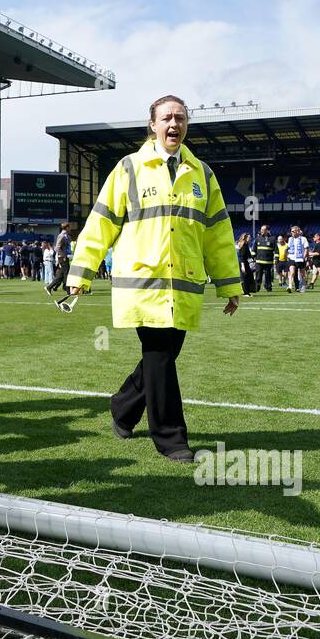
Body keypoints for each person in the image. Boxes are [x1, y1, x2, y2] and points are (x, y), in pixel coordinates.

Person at [67, 93, 241, 461]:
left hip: (185, 286)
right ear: (152, 125)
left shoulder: (204, 175)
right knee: (159, 353)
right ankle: (171, 439)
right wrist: (81, 272)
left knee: (161, 357)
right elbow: (101, 222)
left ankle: (123, 408)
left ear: (186, 125)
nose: (173, 124)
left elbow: (218, 234)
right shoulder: (129, 168)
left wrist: (229, 284)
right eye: (166, 118)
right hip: (142, 284)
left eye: (180, 118)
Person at [45, 223, 72, 294]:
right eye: (69, 227)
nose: (70, 229)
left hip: (65, 257)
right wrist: (63, 256)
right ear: (67, 228)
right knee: (66, 273)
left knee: (61, 275)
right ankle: (68, 290)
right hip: (62, 257)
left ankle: (50, 287)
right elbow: (57, 248)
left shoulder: (67, 236)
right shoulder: (62, 236)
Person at [253, 225, 275, 292]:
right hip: (259, 261)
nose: (261, 231)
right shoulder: (257, 238)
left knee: (268, 276)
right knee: (258, 275)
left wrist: (276, 259)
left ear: (267, 230)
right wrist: (253, 259)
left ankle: (268, 287)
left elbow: (276, 250)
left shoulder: (272, 239)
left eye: (263, 229)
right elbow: (254, 250)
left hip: (268, 262)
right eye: (261, 229)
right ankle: (257, 287)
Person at [286, 225, 308, 293]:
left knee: (302, 274)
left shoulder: (303, 239)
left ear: (297, 232)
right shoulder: (290, 239)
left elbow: (306, 248)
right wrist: (287, 256)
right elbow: (288, 248)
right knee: (292, 272)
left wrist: (304, 257)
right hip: (292, 258)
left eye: (293, 231)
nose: (291, 233)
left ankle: (303, 286)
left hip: (300, 259)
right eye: (291, 231)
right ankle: (290, 286)